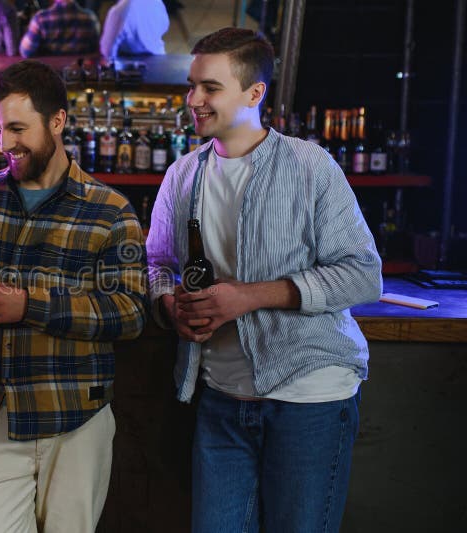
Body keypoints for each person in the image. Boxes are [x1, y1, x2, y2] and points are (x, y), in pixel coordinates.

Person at [146, 28, 382, 532]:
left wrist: (247, 298)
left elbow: (363, 274)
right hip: (219, 399)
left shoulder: (310, 166)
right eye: (192, 87)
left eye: (210, 88)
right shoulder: (182, 174)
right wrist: (171, 306)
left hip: (310, 399)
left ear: (255, 94)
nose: (194, 100)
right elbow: (157, 266)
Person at [0, 59, 147, 532]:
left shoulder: (109, 210)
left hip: (74, 415)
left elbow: (129, 312)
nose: (5, 144)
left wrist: (27, 304)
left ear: (58, 121)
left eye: (18, 129)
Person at [19, 0, 101, 58]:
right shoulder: (90, 18)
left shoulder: (40, 19)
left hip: (49, 75)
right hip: (77, 77)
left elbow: (26, 52)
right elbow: (95, 49)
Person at [99, 0, 170, 59]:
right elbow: (164, 26)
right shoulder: (157, 3)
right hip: (160, 59)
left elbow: (106, 51)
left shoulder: (118, 12)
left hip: (131, 67)